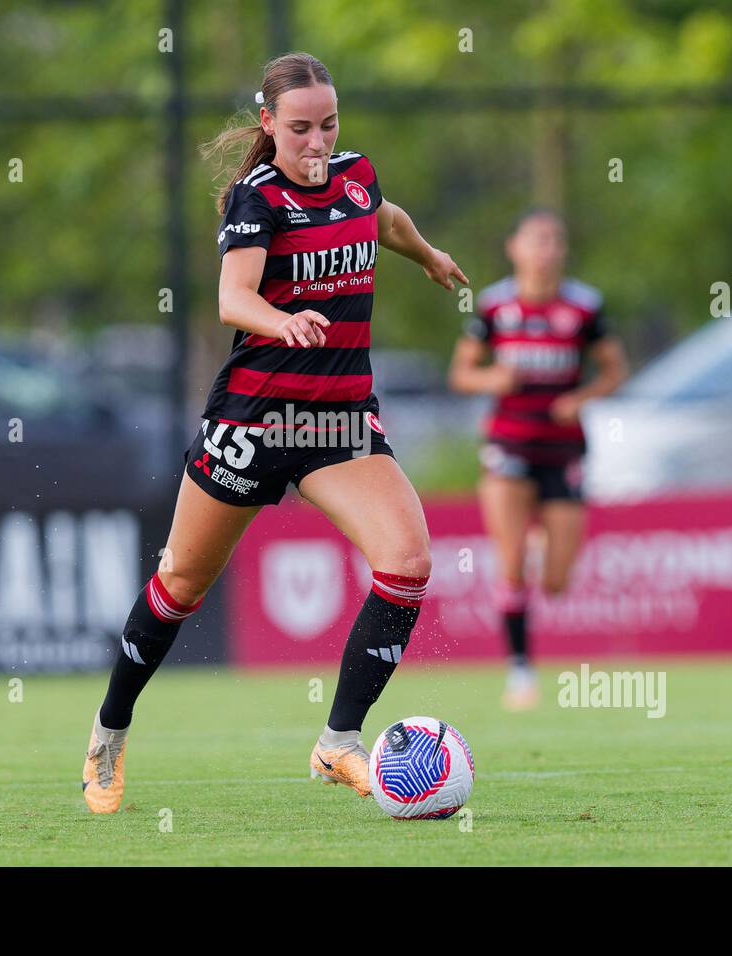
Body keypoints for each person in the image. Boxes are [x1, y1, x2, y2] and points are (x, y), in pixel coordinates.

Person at [81, 51, 468, 812]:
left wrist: (426, 254)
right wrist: (280, 319)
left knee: (408, 562)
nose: (317, 142)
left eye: (327, 125)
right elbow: (233, 297)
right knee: (179, 586)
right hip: (254, 420)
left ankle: (338, 745)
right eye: (300, 129)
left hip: (339, 420)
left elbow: (382, 218)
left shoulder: (357, 174)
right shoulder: (257, 201)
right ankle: (109, 731)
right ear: (268, 124)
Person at [448, 209, 628, 710]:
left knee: (557, 580)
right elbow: (461, 374)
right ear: (515, 248)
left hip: (562, 448)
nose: (545, 250)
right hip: (507, 445)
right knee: (509, 563)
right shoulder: (493, 306)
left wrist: (582, 398)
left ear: (562, 251)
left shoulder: (584, 307)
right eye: (536, 240)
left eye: (554, 241)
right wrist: (492, 379)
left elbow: (615, 370)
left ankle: (539, 548)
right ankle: (520, 671)